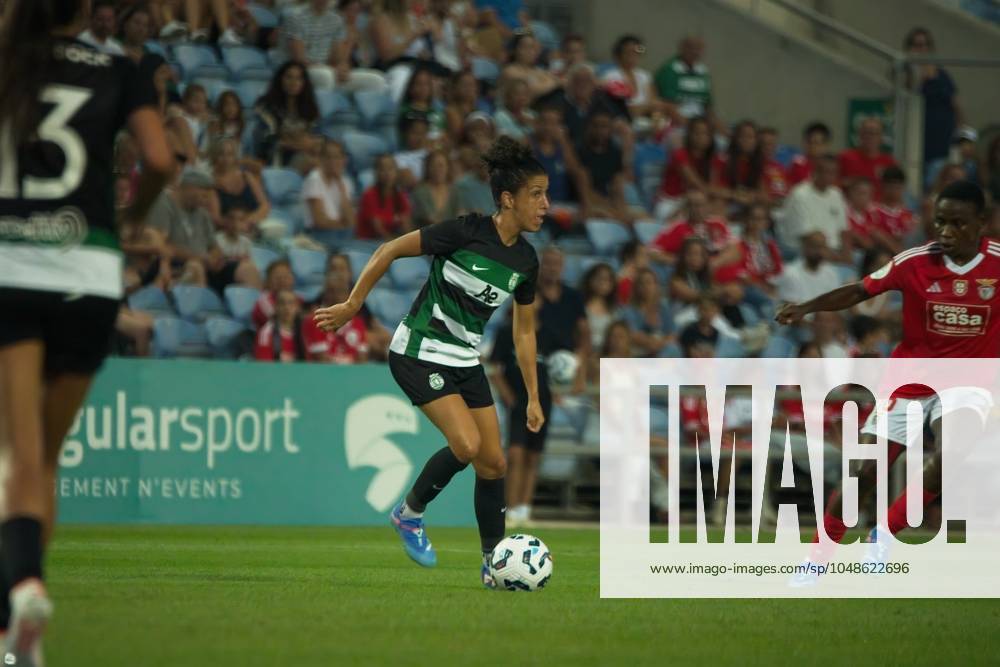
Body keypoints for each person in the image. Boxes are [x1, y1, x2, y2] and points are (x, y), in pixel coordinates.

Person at [0, 2, 173, 662]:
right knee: (45, 456)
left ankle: (22, 589)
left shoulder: (8, 63)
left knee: (16, 453)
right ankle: (20, 639)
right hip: (91, 271)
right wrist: (130, 218)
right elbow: (159, 159)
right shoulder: (119, 69)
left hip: (12, 266)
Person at [313, 136, 546, 588]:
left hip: (465, 359)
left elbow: (523, 332)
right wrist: (353, 304)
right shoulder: (465, 231)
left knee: (494, 464)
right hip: (418, 350)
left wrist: (533, 395)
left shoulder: (526, 261)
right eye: (536, 194)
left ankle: (494, 563)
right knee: (466, 445)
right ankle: (409, 514)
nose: (545, 204)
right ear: (508, 199)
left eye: (546, 194)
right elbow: (388, 249)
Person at [776, 181, 999, 583]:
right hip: (909, 380)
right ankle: (816, 560)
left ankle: (884, 534)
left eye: (958, 223)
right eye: (940, 222)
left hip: (969, 382)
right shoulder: (914, 261)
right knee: (863, 472)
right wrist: (806, 307)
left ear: (981, 223)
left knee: (951, 450)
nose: (946, 231)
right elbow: (859, 291)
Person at [488, 298, 550, 528]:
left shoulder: (548, 333)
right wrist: (508, 395)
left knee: (533, 455)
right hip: (518, 401)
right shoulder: (507, 332)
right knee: (515, 454)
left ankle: (525, 509)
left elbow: (558, 364)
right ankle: (511, 508)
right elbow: (494, 367)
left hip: (542, 401)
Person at [778, 154, 850, 262]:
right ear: (815, 172)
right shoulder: (800, 194)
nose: (829, 176)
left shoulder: (836, 194)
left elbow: (844, 231)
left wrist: (847, 256)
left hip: (834, 251)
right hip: (804, 252)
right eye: (825, 171)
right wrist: (836, 258)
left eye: (833, 172)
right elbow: (807, 237)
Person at [252, 62, 322, 169]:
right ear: (280, 79)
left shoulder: (309, 108)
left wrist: (309, 142)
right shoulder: (267, 107)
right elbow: (266, 140)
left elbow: (317, 136)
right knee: (313, 164)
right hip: (278, 158)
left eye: (299, 78)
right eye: (289, 77)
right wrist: (294, 144)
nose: (294, 82)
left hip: (306, 154)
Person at [301, 138, 356, 248]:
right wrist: (343, 223)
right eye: (328, 157)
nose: (333, 161)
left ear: (343, 159)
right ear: (321, 159)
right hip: (318, 235)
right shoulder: (314, 179)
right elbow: (319, 222)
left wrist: (341, 186)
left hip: (342, 235)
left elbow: (351, 221)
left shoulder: (346, 181)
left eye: (337, 157)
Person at [208, 138, 270, 232]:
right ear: (214, 157)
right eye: (221, 154)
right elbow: (215, 218)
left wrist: (249, 221)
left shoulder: (247, 176)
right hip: (226, 232)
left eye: (230, 154)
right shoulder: (210, 183)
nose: (226, 159)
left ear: (235, 156)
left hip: (253, 227)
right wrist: (236, 225)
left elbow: (264, 205)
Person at [653, 35, 715, 126]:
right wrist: (689, 127)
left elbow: (708, 105)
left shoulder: (703, 71)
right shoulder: (669, 70)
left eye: (699, 48)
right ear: (682, 48)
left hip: (700, 122)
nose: (695, 52)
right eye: (691, 47)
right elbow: (667, 104)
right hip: (676, 121)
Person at [838, 117, 897, 201]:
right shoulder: (845, 157)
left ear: (881, 137)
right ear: (860, 135)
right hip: (849, 206)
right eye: (866, 132)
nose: (870, 137)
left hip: (879, 207)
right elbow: (833, 185)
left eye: (874, 133)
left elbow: (896, 191)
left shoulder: (889, 163)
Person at [358, 153, 412, 240]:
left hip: (391, 241)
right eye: (382, 169)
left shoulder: (400, 195)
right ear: (376, 172)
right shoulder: (369, 195)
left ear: (396, 172)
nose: (387, 173)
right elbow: (378, 230)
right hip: (369, 241)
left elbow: (406, 225)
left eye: (390, 168)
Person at [254, 289, 308, 362]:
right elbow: (264, 366)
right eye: (282, 303)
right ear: (275, 307)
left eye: (291, 303)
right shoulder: (266, 333)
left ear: (297, 308)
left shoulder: (306, 331)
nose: (287, 307)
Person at [410, 149, 457, 228]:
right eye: (433, 166)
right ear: (427, 168)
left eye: (441, 165)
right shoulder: (420, 192)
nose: (437, 170)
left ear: (448, 168)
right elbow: (430, 219)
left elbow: (461, 216)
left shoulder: (455, 191)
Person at [787, 121, 831, 187]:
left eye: (817, 143)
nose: (813, 146)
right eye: (810, 142)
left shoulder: (831, 166)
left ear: (826, 145)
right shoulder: (798, 165)